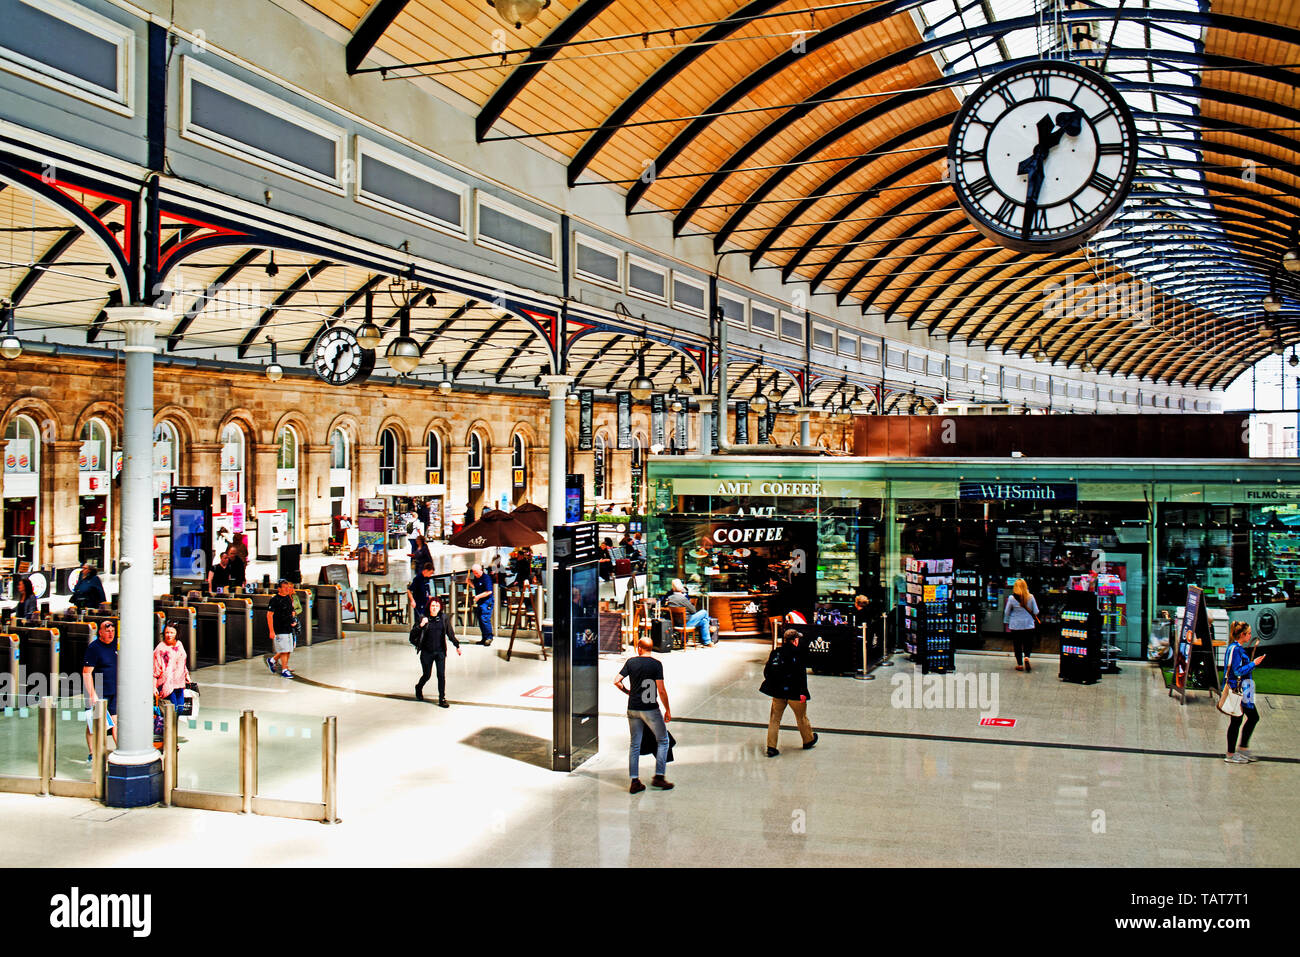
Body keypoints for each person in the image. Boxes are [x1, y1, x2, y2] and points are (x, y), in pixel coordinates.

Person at [614, 635, 673, 793]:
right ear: (651, 648)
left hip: (633, 708)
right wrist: (667, 709)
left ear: (639, 648)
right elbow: (661, 689)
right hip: (651, 709)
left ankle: (634, 781)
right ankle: (659, 777)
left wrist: (628, 692)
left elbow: (616, 681)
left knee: (635, 744)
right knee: (663, 740)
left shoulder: (631, 662)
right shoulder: (656, 665)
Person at [761, 628, 818, 757]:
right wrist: (803, 693)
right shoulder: (798, 654)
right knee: (801, 717)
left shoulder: (776, 653)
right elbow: (801, 676)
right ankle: (808, 740)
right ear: (795, 640)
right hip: (795, 693)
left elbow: (767, 672)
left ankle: (771, 747)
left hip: (778, 692)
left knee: (775, 719)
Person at [1224, 620, 1266, 764]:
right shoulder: (1235, 649)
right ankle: (1231, 753)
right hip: (1239, 689)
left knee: (1248, 718)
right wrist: (1254, 663)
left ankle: (1241, 748)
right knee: (1238, 720)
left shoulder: (1235, 648)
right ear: (1242, 634)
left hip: (1244, 688)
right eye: (1248, 633)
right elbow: (1236, 671)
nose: (1250, 636)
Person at [415, 595, 461, 707]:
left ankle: (442, 698)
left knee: (441, 675)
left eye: (437, 605)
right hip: (427, 652)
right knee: (427, 675)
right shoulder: (423, 618)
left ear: (440, 607)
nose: (434, 608)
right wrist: (421, 625)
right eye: (432, 606)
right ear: (429, 607)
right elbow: (413, 634)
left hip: (440, 652)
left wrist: (457, 645)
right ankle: (419, 687)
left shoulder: (444, 618)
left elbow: (450, 634)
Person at [82, 619, 118, 758]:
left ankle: (120, 749)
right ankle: (92, 752)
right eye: (107, 631)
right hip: (98, 692)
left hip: (113, 691)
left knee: (115, 722)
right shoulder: (94, 648)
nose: (110, 634)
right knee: (94, 725)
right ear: (100, 632)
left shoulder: (115, 645)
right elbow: (86, 673)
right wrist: (92, 694)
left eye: (113, 631)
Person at [153, 623, 190, 715]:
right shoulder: (160, 648)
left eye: (172, 633)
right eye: (167, 633)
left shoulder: (179, 644)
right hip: (167, 684)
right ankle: (168, 728)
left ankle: (173, 728)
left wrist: (186, 674)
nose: (169, 635)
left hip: (180, 683)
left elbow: (182, 661)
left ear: (176, 633)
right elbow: (155, 670)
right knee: (174, 709)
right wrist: (153, 686)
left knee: (180, 709)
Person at [663, 578, 713, 646]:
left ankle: (707, 641)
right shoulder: (683, 599)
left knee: (704, 621)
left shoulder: (670, 598)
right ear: (681, 588)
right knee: (704, 612)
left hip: (676, 623)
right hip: (686, 623)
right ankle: (707, 638)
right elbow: (693, 610)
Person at [1004, 578, 1039, 671]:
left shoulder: (1011, 598)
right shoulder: (1031, 597)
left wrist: (1014, 613)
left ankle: (1020, 664)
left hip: (1016, 625)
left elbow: (1006, 612)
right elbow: (1036, 611)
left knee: (1017, 644)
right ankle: (1026, 657)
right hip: (1028, 624)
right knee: (1028, 643)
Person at [265, 579, 297, 678]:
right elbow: (269, 615)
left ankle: (273, 660)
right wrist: (271, 631)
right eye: (285, 587)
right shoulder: (274, 600)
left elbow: (291, 611)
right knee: (284, 649)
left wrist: (293, 621)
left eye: (288, 587)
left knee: (288, 649)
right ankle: (284, 669)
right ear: (279, 589)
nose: (287, 589)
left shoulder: (288, 598)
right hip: (279, 628)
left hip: (288, 627)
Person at [468, 563, 494, 645]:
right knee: (480, 619)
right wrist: (469, 582)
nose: (475, 574)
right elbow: (476, 587)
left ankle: (489, 637)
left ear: (481, 570)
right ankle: (484, 638)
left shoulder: (486, 578)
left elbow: (489, 591)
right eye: (474, 573)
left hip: (487, 602)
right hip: (480, 602)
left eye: (476, 572)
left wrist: (478, 596)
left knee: (484, 618)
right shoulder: (476, 578)